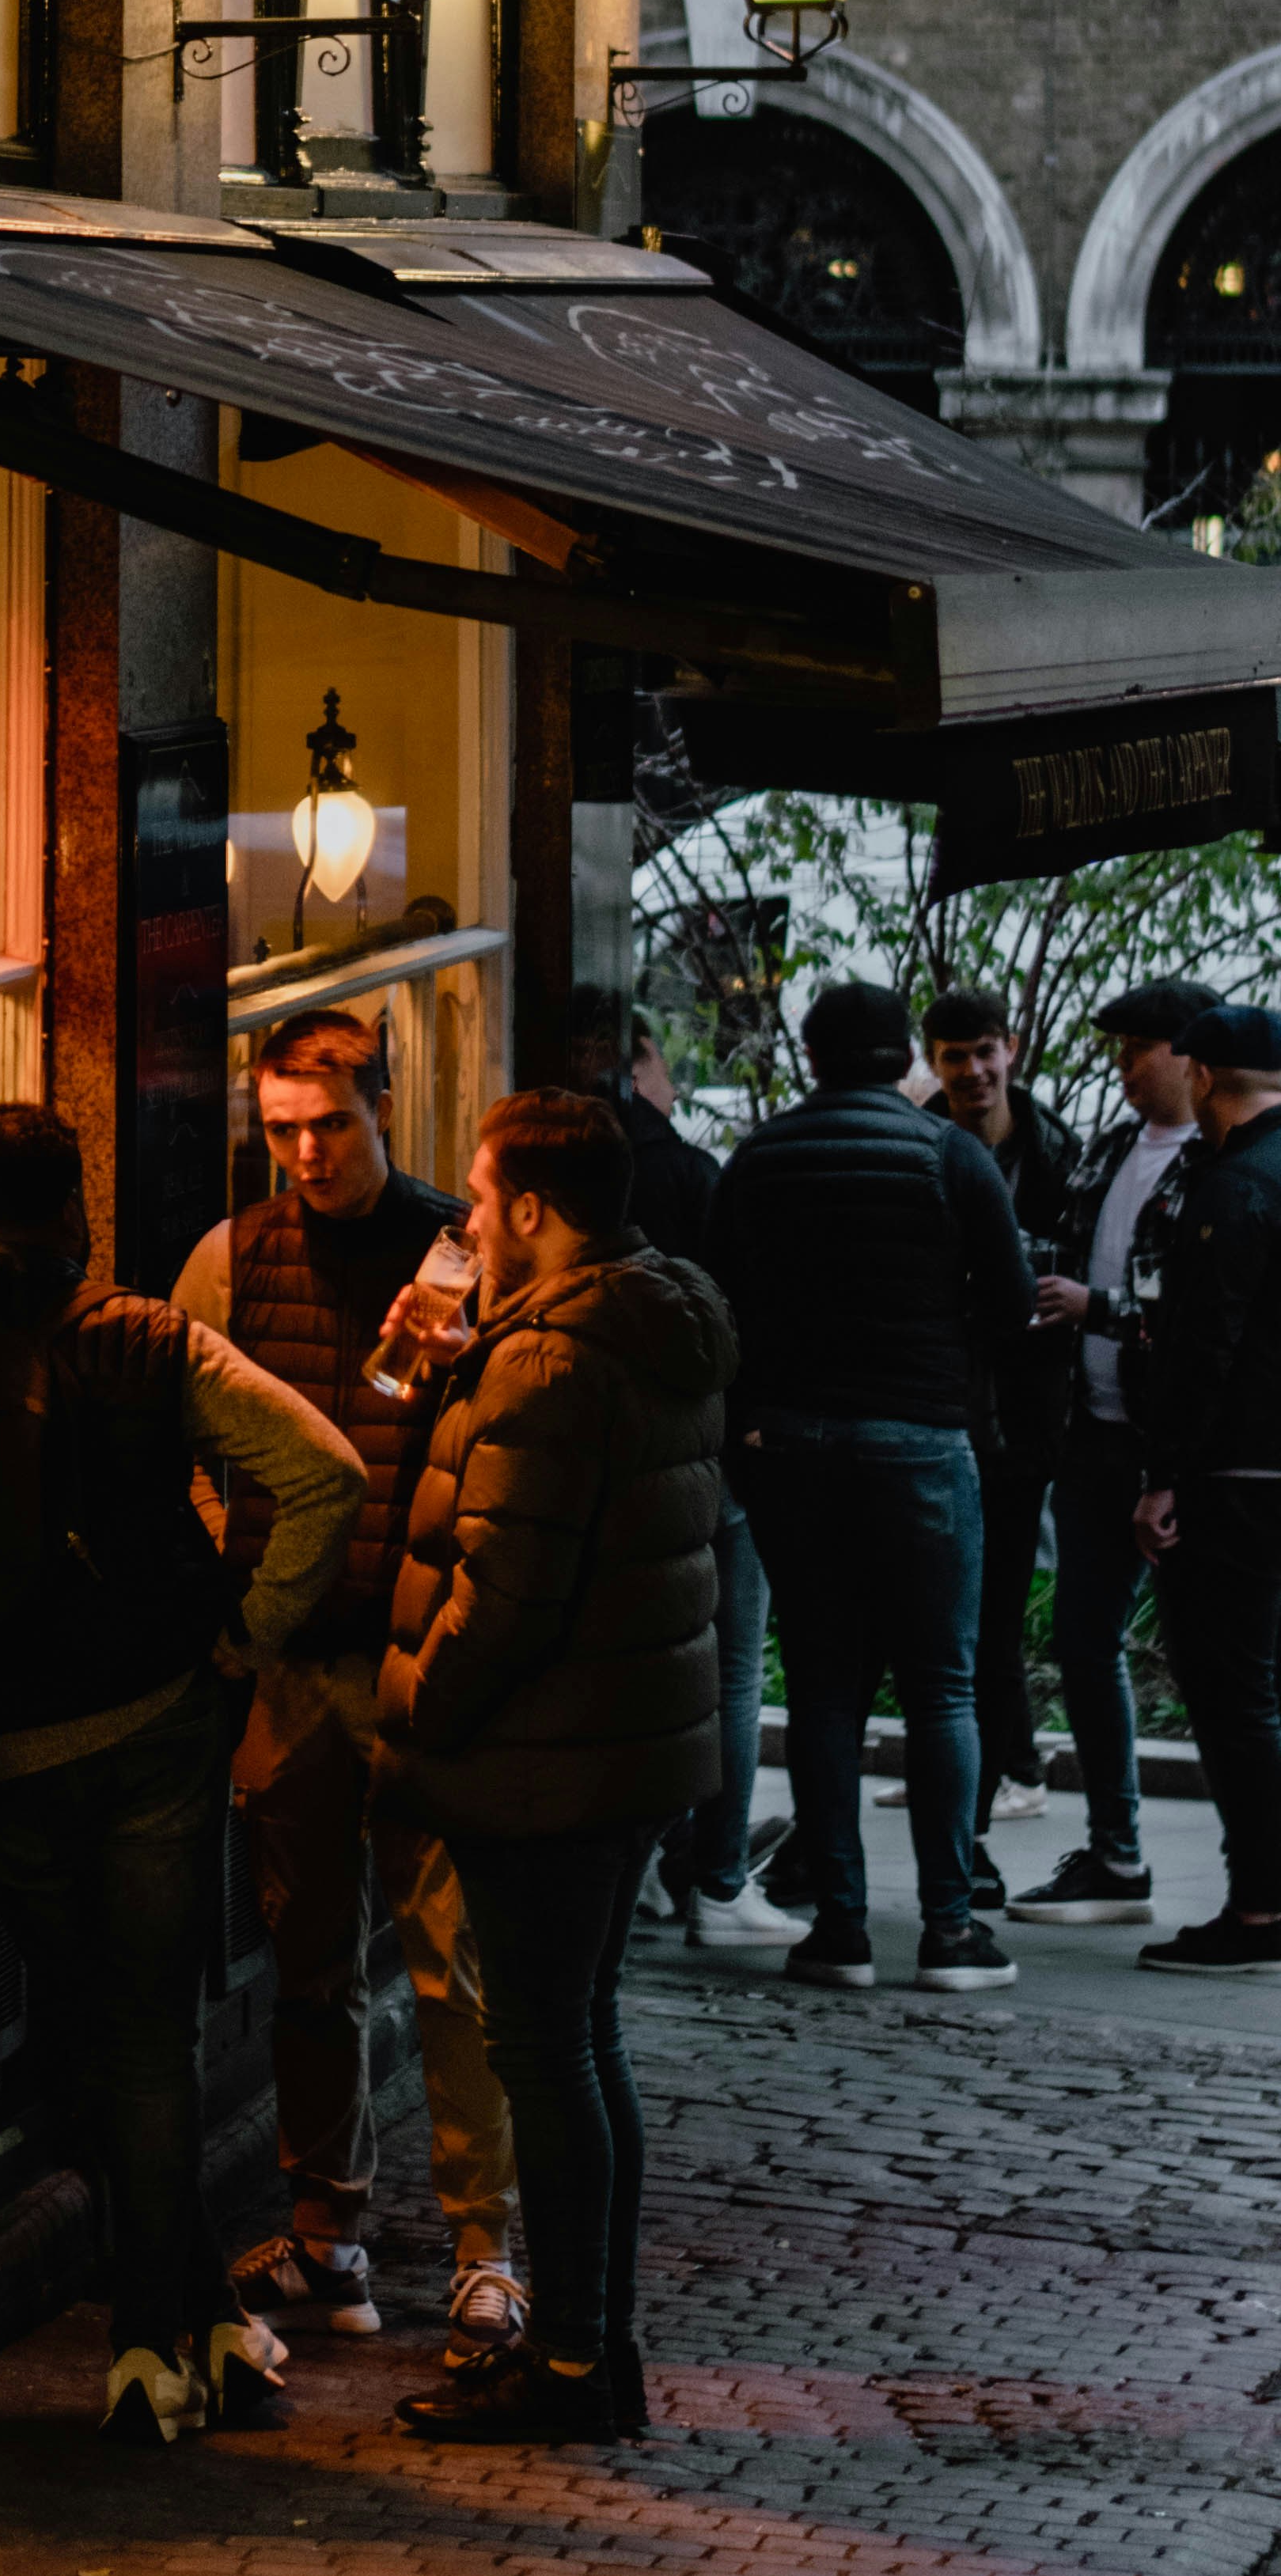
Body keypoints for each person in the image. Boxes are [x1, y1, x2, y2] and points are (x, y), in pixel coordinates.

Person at [0, 1100, 366, 2440]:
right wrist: (247, 1632)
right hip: (149, 1726)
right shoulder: (149, 1340)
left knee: (86, 2023)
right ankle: (159, 2335)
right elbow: (325, 1473)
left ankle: (188, 2332)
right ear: (80, 1209)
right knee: (146, 2028)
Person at [376, 1089, 733, 2449]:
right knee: (585, 2041)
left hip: (548, 1763)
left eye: (480, 1198)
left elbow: (505, 1592)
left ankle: (575, 2362)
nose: (467, 1220)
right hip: (625, 1750)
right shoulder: (648, 1318)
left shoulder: (551, 1361)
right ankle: (596, 2352)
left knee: (546, 2048)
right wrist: (451, 1362)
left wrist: (418, 1716)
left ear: (533, 1209)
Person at [169, 1013, 527, 2363]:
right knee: (307, 1958)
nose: (307, 1155)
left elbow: (515, 1439)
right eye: (282, 1131)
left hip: (418, 1655)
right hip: (293, 1657)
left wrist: (459, 1363)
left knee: (452, 1963)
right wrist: (234, 1583)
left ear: (385, 1108)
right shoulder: (231, 1257)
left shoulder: (458, 1251)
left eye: (332, 1125)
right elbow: (190, 1431)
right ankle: (328, 2228)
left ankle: (488, 2251)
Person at [706, 976, 1036, 1993]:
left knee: (821, 1689)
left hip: (790, 1443)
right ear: (904, 1059)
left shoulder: (757, 1159)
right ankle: (947, 1931)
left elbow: (716, 1305)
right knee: (941, 1686)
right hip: (920, 1439)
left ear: (809, 1057)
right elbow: (1014, 1303)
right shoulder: (950, 1155)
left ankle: (837, 1929)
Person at [1006, 983, 1207, 1926]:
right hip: (1092, 1430)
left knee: (1217, 1663)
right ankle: (1117, 1855)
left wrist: (1102, 1311)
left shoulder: (1226, 1163)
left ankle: (1254, 1867)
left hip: (1185, 1449)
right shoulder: (1110, 1150)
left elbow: (1208, 1314)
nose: (1123, 1067)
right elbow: (1075, 1255)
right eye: (1118, 1049)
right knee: (1084, 1644)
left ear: (1190, 1056)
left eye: (1139, 1049)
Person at [621, 1023, 786, 1949]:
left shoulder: (584, 1175)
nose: (674, 1083)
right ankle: (718, 1879)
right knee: (728, 1671)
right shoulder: (690, 1174)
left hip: (625, 1462)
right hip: (714, 1453)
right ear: (636, 1068)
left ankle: (644, 1865)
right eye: (660, 1065)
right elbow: (742, 1309)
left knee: (639, 1672)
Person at [1130, 1002, 1281, 1978]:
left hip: (1235, 1481)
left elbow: (1208, 1345)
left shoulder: (1233, 1186)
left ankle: (1262, 1908)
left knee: (1233, 1700)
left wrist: (1161, 1478)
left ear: (1204, 1076)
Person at [923, 983, 1082, 1856]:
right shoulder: (921, 1143)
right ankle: (984, 1772)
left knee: (991, 1607)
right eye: (956, 1057)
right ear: (933, 1061)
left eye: (985, 1052)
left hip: (1020, 1421)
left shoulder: (1055, 1150)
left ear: (1009, 1047)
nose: (975, 1071)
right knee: (948, 1610)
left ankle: (984, 1788)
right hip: (944, 1407)